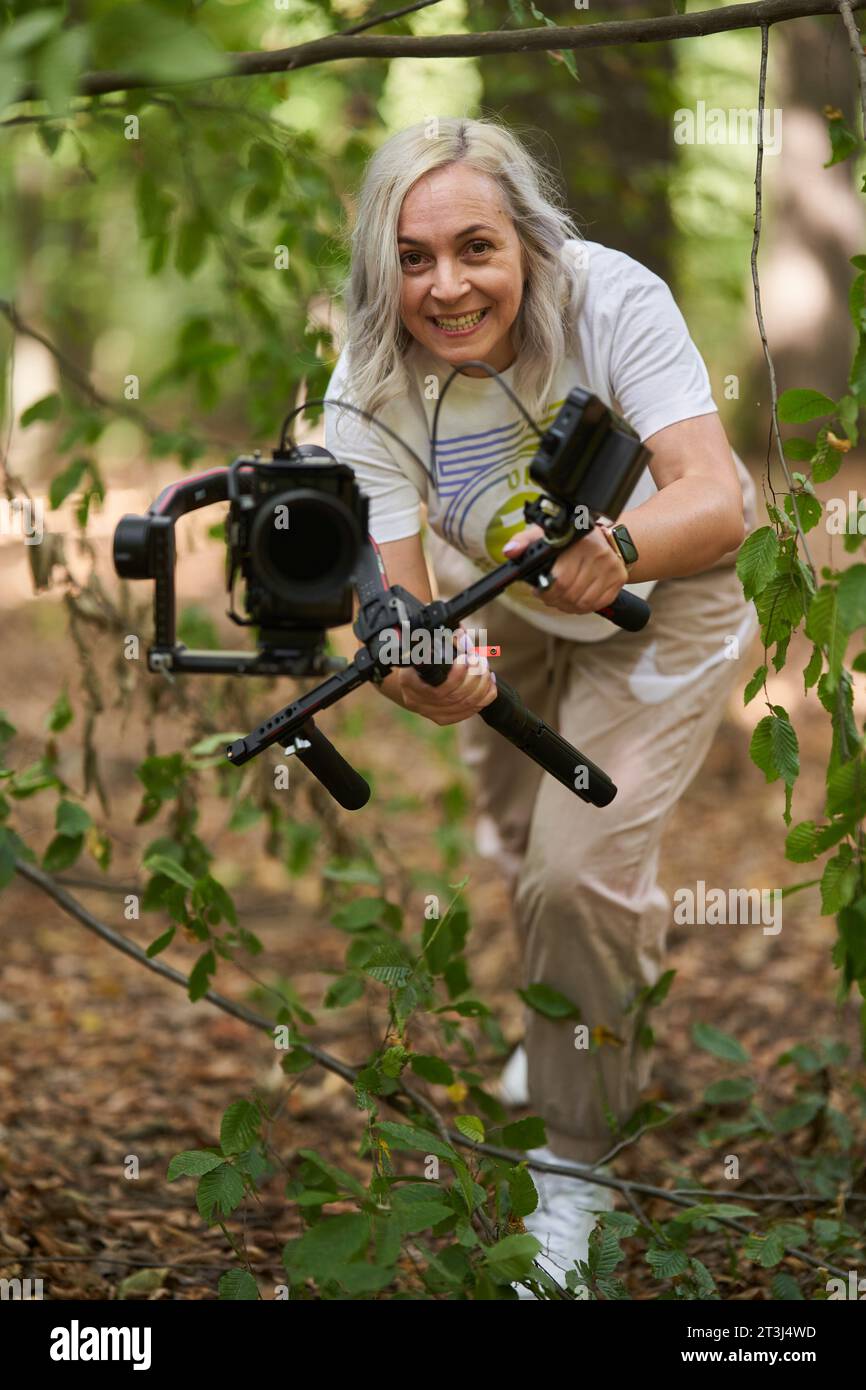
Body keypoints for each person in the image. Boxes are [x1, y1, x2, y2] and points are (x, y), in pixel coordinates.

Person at [323, 115, 759, 1295]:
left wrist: (617, 544)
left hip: (664, 599)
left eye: (475, 248)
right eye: (413, 259)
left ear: (525, 241)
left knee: (570, 878)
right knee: (526, 852)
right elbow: (396, 609)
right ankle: (579, 993)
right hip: (508, 606)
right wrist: (426, 676)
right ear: (382, 265)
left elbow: (718, 500)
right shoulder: (365, 386)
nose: (447, 285)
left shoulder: (610, 301)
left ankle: (576, 1173)